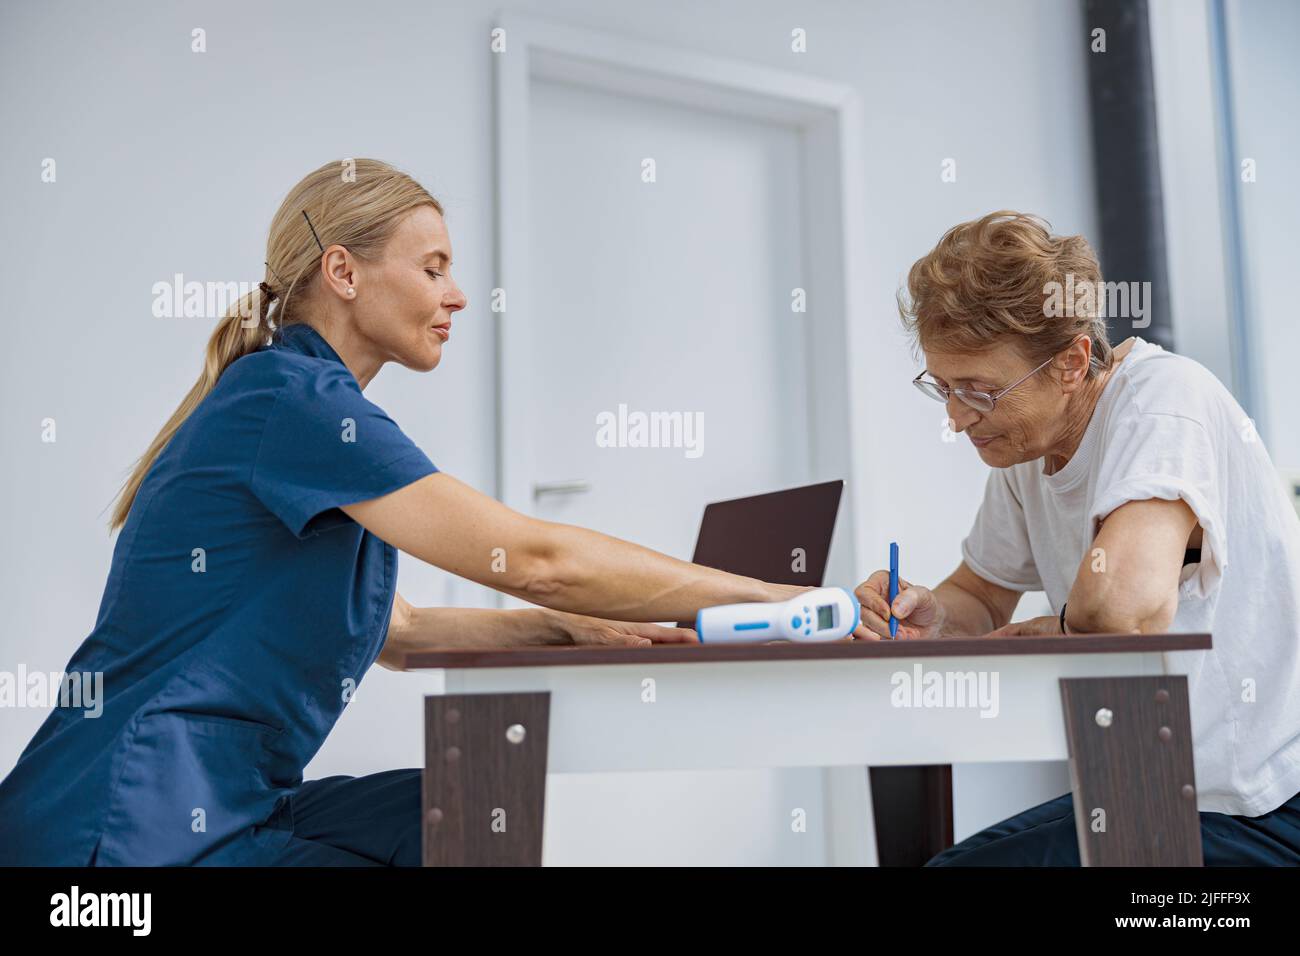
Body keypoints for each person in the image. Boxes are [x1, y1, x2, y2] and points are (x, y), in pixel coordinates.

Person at [0, 158, 874, 867]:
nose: (457, 295)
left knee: (479, 797)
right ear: (342, 270)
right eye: (433, 268)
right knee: (478, 810)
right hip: (120, 826)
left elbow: (401, 634)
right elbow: (536, 556)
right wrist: (764, 596)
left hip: (224, 799)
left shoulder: (301, 406)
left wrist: (562, 632)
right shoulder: (293, 401)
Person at [854, 211, 1300, 865]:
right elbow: (981, 595)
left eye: (978, 391)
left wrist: (1055, 630)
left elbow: (1120, 607)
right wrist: (929, 613)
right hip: (1145, 787)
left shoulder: (1164, 401)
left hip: (1263, 804)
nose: (955, 418)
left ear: (1071, 362)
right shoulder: (1028, 448)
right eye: (943, 388)